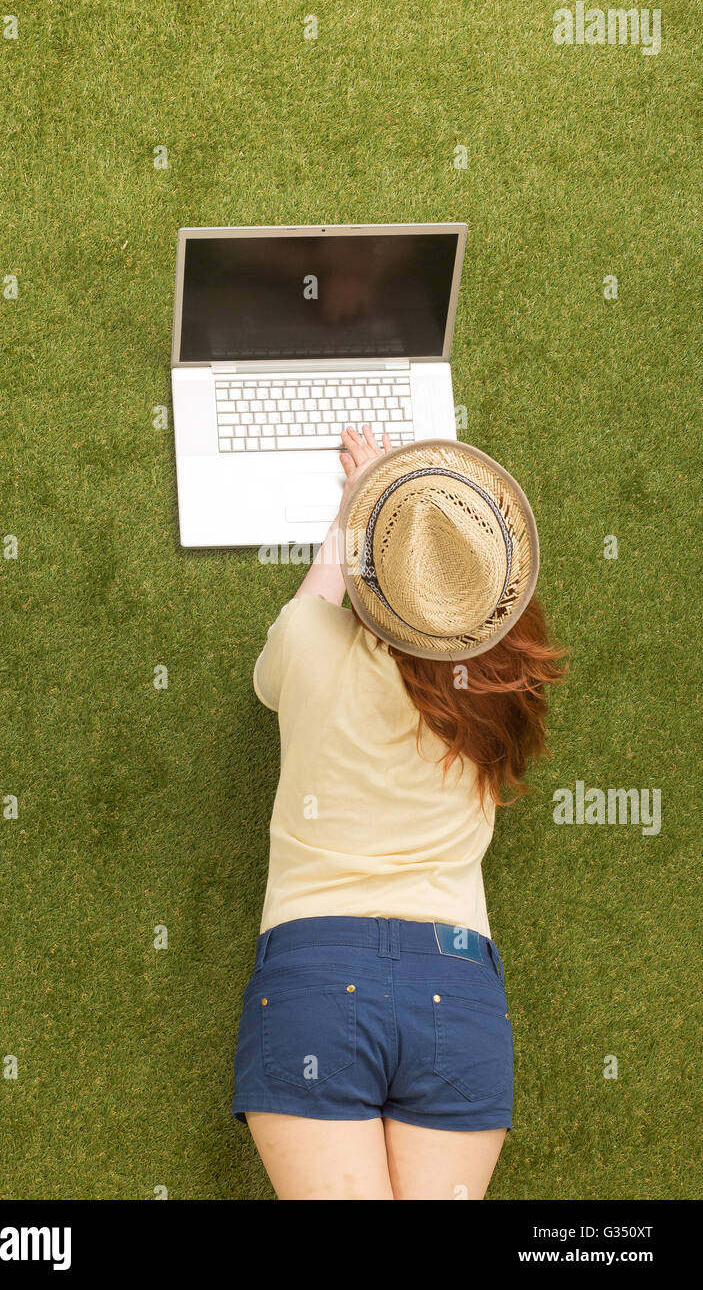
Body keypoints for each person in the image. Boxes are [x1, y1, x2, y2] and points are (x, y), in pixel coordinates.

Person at [232, 424, 567, 1199]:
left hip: (316, 974)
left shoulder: (308, 647)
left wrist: (355, 510)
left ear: (369, 567)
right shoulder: (506, 685)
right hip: (457, 986)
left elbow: (300, 621)